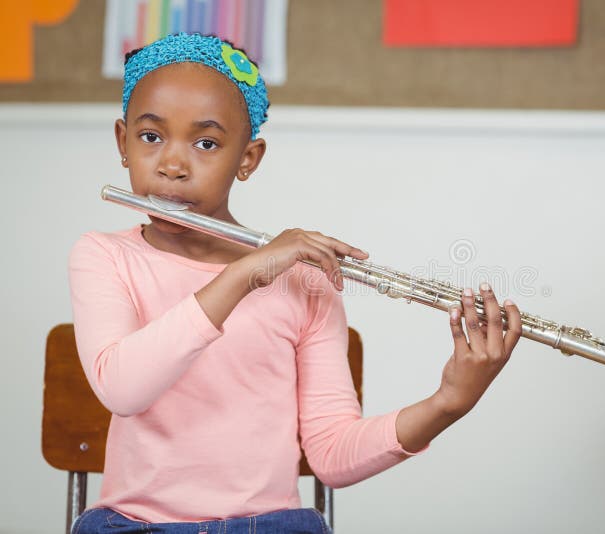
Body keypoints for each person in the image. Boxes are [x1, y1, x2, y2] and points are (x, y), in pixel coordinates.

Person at [68, 32, 522, 534]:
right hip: (137, 526)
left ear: (248, 158)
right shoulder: (104, 256)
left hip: (269, 525)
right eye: (151, 137)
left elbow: (333, 455)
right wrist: (243, 274)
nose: (172, 166)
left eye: (206, 143)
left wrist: (448, 402)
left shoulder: (303, 281)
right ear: (123, 142)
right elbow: (123, 389)